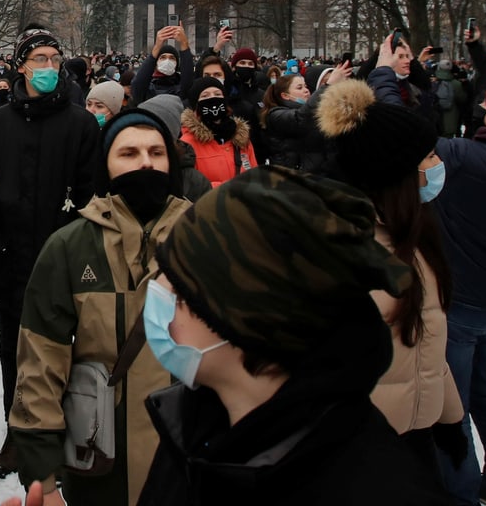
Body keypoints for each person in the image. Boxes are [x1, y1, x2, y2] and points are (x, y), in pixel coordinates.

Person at [136, 167, 451, 506]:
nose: (159, 308)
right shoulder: (194, 430)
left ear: (245, 325)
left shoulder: (376, 488)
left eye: (181, 296)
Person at [368, 43, 486, 506]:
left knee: (448, 404)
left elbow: (402, 129)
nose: (482, 109)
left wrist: (384, 74)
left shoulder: (471, 159)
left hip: (464, 304)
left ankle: (459, 492)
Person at [10, 109, 192, 506]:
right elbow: (40, 367)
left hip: (189, 465)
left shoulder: (204, 241)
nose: (146, 163)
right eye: (128, 153)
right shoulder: (69, 247)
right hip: (100, 465)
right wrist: (43, 478)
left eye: (156, 152)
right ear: (105, 167)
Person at [316, 76, 466, 470]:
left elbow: (426, 341)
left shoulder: (415, 237)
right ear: (395, 172)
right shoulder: (343, 253)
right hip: (363, 450)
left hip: (416, 434)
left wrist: (450, 417)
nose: (437, 165)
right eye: (428, 157)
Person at [0, 25, 99, 476]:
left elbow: (91, 187)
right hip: (10, 254)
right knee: (14, 348)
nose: (48, 67)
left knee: (62, 348)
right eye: (39, 59)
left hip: (62, 255)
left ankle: (66, 429)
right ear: (21, 66)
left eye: (54, 59)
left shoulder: (80, 123)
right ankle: (19, 432)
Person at [178, 77, 257, 188]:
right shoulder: (187, 144)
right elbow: (189, 187)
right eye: (205, 96)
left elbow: (255, 177)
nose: (213, 98)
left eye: (217, 94)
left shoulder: (241, 138)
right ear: (196, 105)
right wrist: (229, 188)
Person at [258, 73, 331, 173]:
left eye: (305, 86)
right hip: (291, 175)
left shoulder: (311, 111)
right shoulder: (275, 115)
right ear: (285, 95)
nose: (306, 90)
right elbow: (300, 119)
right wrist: (327, 86)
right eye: (299, 88)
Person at [130, 26, 193, 105]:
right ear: (156, 63)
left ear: (177, 64)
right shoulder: (148, 88)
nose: (167, 61)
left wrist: (184, 43)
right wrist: (157, 47)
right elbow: (137, 85)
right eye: (163, 57)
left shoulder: (181, 88)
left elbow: (188, 79)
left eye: (172, 58)